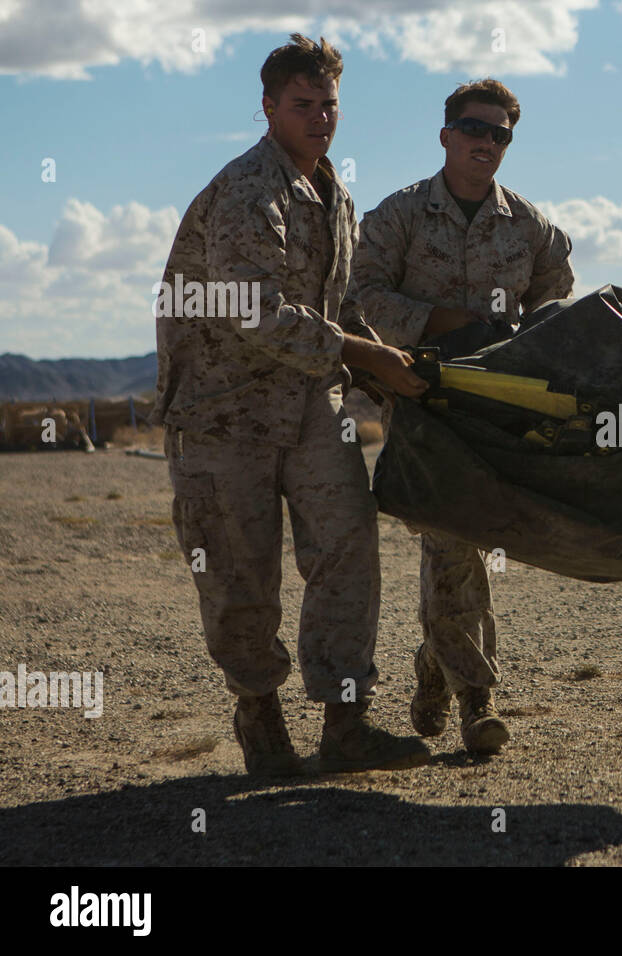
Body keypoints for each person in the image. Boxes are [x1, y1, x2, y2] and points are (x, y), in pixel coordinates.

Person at [153, 34, 432, 775]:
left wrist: (382, 365)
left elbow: (331, 306)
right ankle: (260, 717)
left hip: (310, 401)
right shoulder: (250, 190)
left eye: (329, 103)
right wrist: (366, 355)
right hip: (223, 412)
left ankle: (346, 723)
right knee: (241, 575)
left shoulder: (332, 193)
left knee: (347, 545)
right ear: (269, 107)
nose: (320, 117)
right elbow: (256, 310)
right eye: (303, 105)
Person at [353, 78, 574, 754]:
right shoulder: (399, 217)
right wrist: (442, 323)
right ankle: (479, 700)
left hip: (496, 408)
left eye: (500, 133)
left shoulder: (530, 227)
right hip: (421, 401)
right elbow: (360, 293)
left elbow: (555, 301)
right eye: (474, 129)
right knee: (450, 537)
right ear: (446, 134)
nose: (486, 142)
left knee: (474, 537)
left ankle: (435, 664)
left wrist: (526, 355)